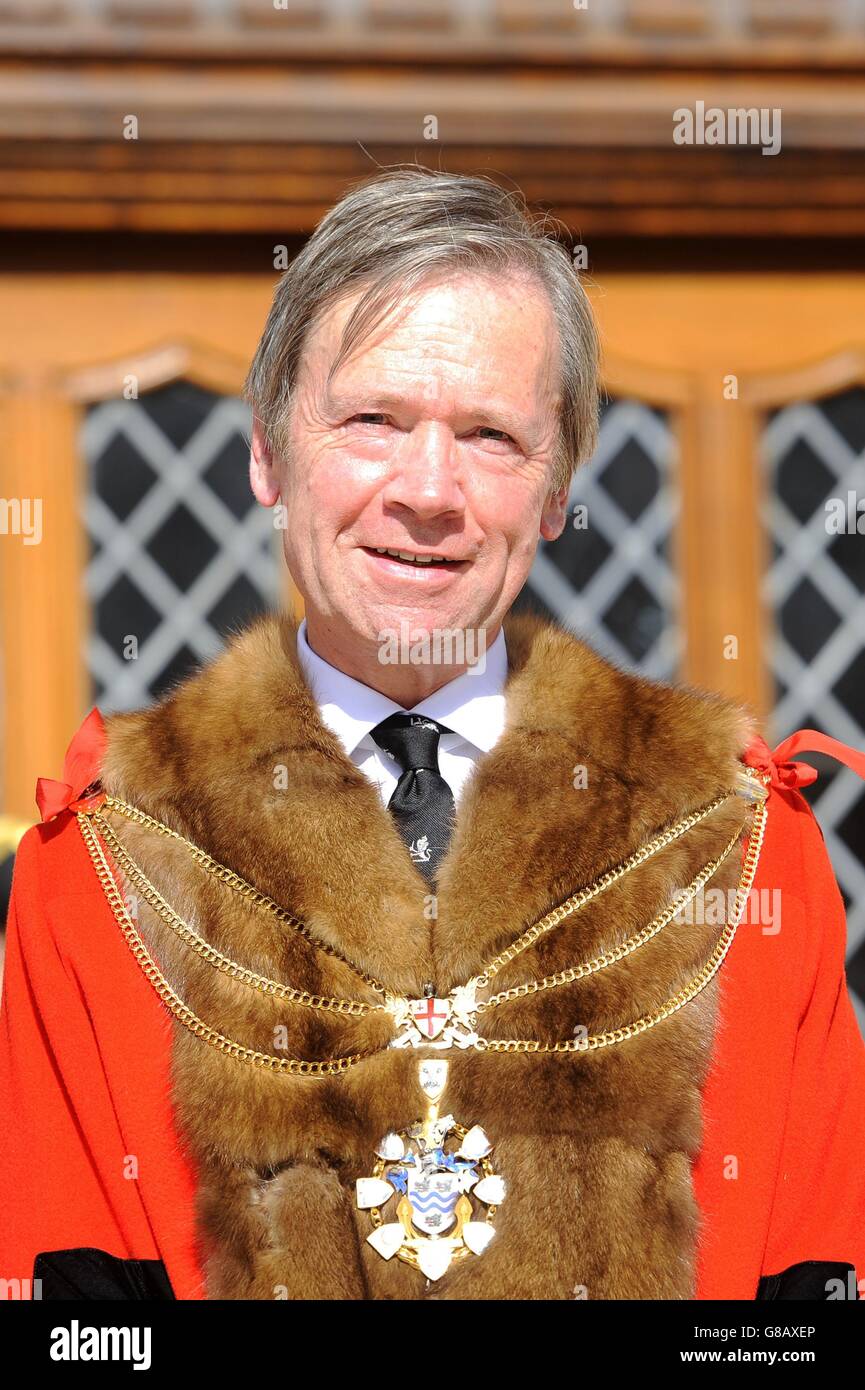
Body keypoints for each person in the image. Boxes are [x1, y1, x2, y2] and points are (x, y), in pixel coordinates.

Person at [2, 169, 865, 1302]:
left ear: (555, 489)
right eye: (372, 419)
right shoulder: (100, 870)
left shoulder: (743, 854)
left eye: (491, 435)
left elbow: (806, 1309)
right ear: (268, 452)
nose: (429, 489)